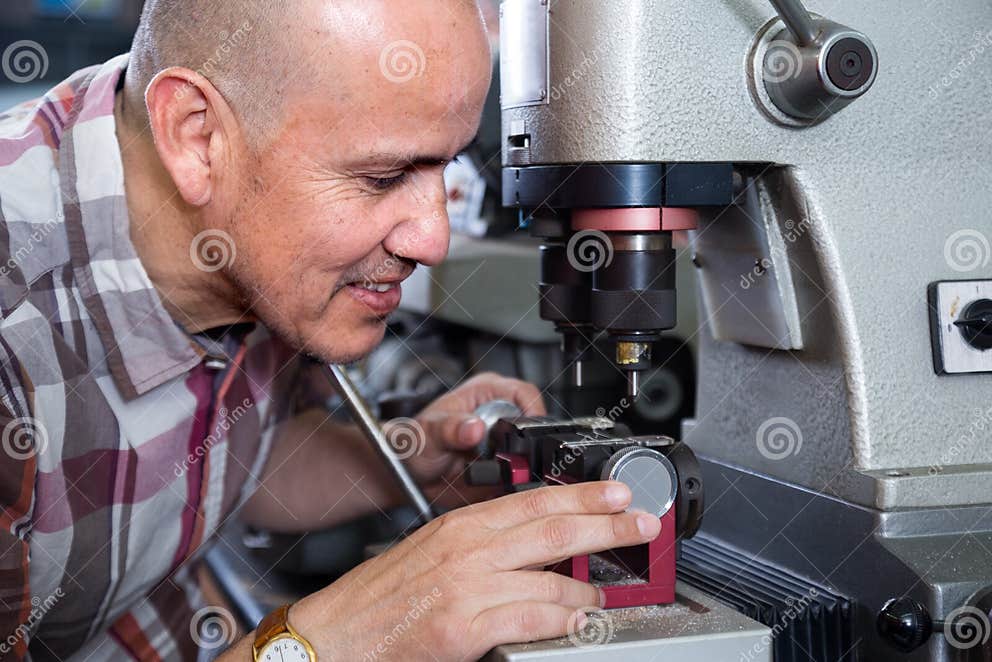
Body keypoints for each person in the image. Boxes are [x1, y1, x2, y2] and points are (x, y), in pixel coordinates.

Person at [0, 1, 661, 659]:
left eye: (447, 167)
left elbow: (223, 456)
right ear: (197, 136)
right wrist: (333, 642)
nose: (432, 240)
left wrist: (402, 457)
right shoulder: (14, 335)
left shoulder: (244, 218)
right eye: (383, 176)